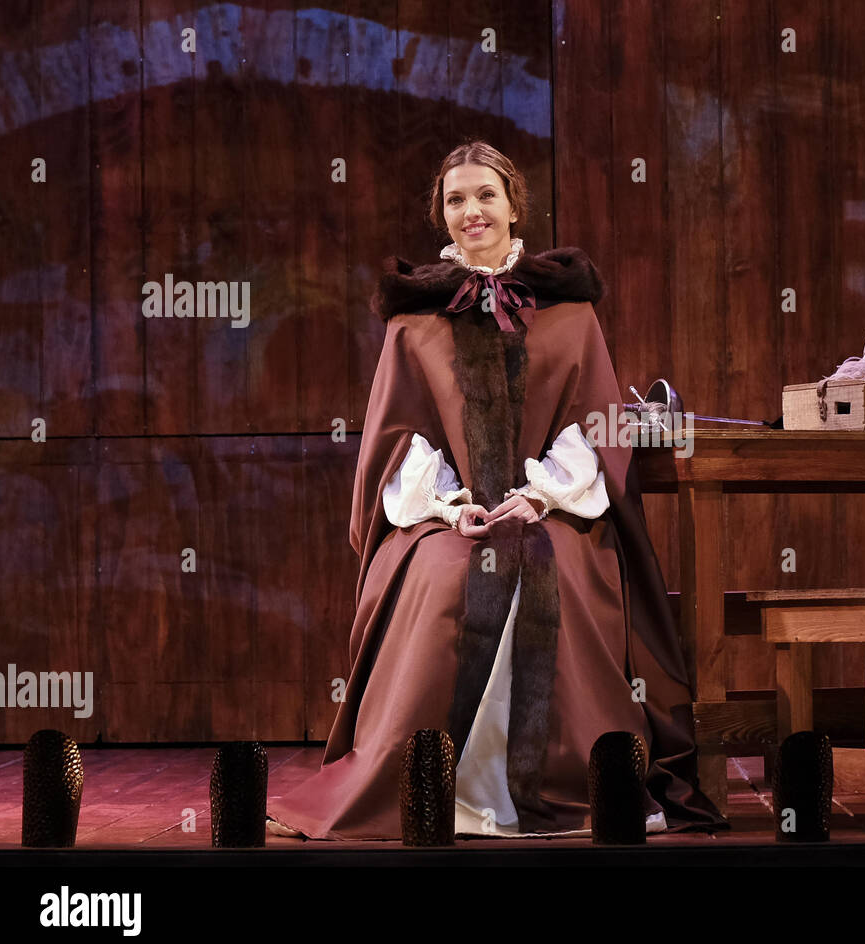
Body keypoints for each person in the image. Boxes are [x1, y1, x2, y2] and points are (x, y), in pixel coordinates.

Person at [266, 140, 729, 839]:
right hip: (446, 518)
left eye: (486, 195)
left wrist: (540, 495)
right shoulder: (414, 320)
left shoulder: (570, 312)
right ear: (440, 215)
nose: (472, 210)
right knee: (449, 576)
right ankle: (428, 783)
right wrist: (453, 507)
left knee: (560, 575)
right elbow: (399, 442)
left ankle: (564, 780)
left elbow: (593, 424)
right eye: (456, 199)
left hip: (555, 509)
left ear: (515, 205)